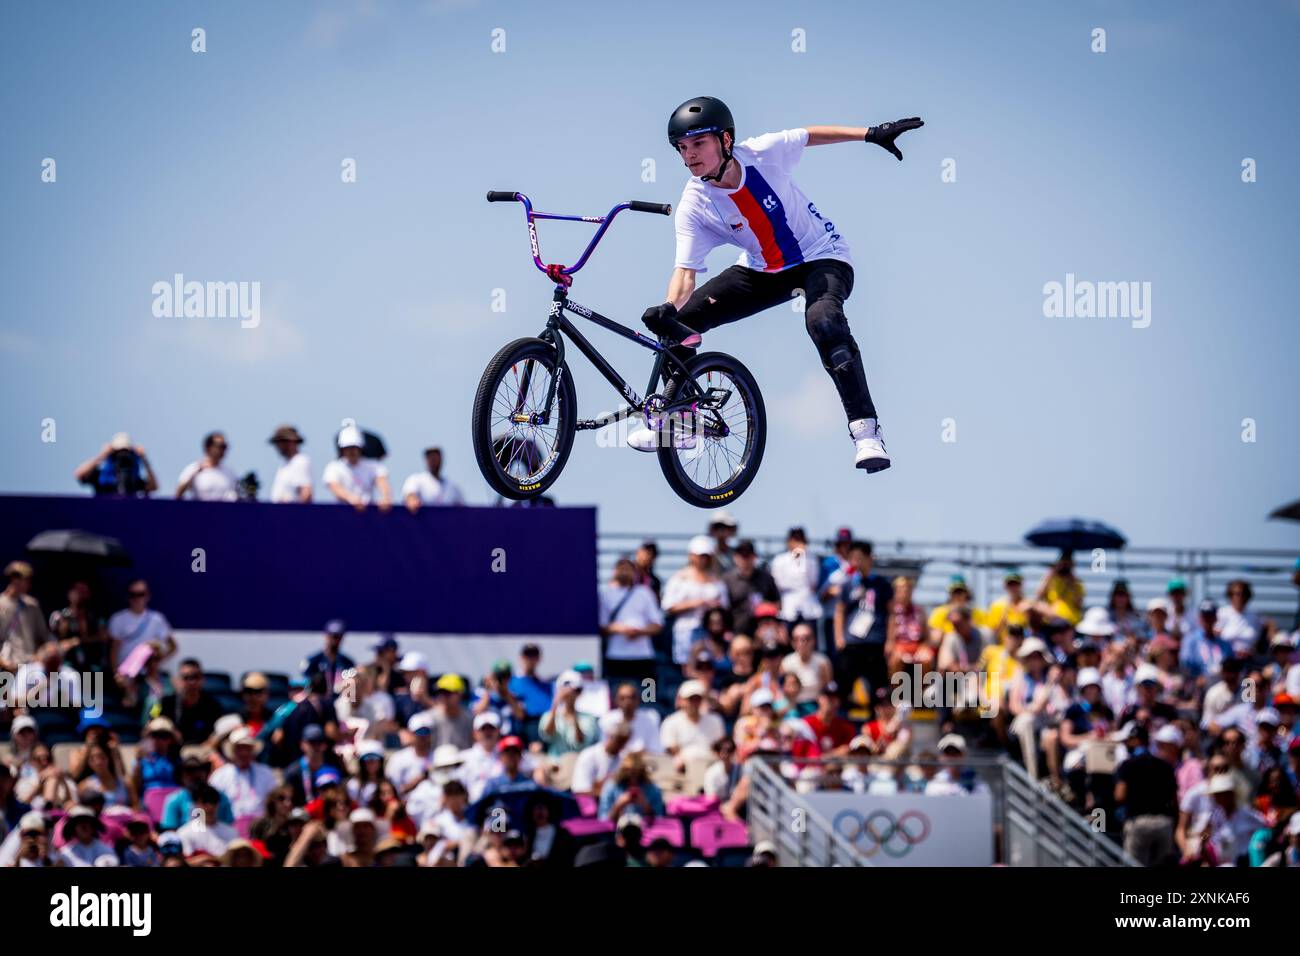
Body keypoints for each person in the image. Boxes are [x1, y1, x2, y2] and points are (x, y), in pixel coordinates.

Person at [625, 95, 923, 474]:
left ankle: (866, 432)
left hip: (821, 256)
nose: (690, 156)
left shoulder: (763, 153)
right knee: (678, 323)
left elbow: (811, 135)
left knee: (823, 320)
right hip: (762, 271)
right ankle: (682, 419)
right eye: (682, 148)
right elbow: (685, 271)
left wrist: (870, 134)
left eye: (699, 143)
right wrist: (669, 308)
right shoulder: (695, 204)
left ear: (726, 140)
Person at [832, 540, 893, 700]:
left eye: (859, 558)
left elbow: (891, 613)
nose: (856, 562)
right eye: (852, 558)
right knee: (844, 686)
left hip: (875, 642)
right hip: (852, 643)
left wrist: (890, 640)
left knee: (878, 690)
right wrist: (839, 637)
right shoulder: (848, 584)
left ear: (869, 558)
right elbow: (840, 611)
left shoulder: (882, 584)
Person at [660, 535, 729, 665]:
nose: (703, 559)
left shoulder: (717, 581)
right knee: (687, 666)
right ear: (691, 555)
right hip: (685, 631)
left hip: (711, 633)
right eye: (700, 555)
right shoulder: (679, 579)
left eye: (706, 556)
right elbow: (667, 606)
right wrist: (698, 603)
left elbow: (725, 607)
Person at [599, 557, 664, 682]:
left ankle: (649, 702)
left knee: (648, 693)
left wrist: (639, 631)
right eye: (621, 569)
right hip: (616, 655)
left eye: (628, 569)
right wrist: (621, 629)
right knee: (618, 693)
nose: (624, 572)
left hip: (644, 655)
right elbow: (602, 626)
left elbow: (657, 625)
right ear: (614, 572)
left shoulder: (644, 592)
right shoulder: (606, 594)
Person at [107, 579, 177, 683]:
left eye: (141, 594)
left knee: (154, 698)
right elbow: (113, 650)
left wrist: (157, 662)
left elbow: (173, 646)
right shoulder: (118, 619)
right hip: (126, 675)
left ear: (147, 596)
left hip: (148, 675)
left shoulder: (157, 619)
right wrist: (116, 673)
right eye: (133, 594)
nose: (137, 598)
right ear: (128, 596)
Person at [153, 658, 229, 745]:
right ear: (178, 680)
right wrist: (170, 729)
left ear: (202, 680)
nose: (191, 682)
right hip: (171, 750)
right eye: (186, 678)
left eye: (195, 677)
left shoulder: (214, 705)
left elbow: (222, 725)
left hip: (202, 751)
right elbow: (151, 717)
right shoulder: (162, 702)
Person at [210, 727, 277, 819]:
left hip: (259, 827)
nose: (244, 753)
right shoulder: (220, 776)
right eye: (240, 748)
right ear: (233, 750)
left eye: (247, 748)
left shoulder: (265, 773)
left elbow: (273, 801)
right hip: (229, 827)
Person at [323, 422, 392, 511]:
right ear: (342, 450)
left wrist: (386, 497)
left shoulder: (373, 466)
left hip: (367, 513)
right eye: (348, 448)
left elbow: (382, 481)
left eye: (354, 447)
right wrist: (351, 499)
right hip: (342, 513)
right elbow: (334, 486)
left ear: (360, 448)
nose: (351, 451)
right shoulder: (333, 467)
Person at [0, 561, 51, 670]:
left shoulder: (32, 605)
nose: (29, 584)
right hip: (7, 666)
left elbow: (43, 635)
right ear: (14, 579)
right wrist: (3, 663)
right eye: (26, 580)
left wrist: (40, 656)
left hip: (30, 665)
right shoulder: (1, 604)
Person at [74, 432, 158, 497]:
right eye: (118, 453)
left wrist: (144, 460)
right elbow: (80, 474)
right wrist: (102, 456)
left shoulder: (133, 478)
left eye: (126, 452)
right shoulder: (101, 476)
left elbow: (154, 487)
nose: (122, 456)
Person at [770, 527, 822, 625]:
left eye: (801, 540)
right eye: (796, 540)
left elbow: (813, 582)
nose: (798, 543)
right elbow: (778, 584)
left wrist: (803, 558)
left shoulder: (811, 559)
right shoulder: (780, 560)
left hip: (808, 607)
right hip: (788, 606)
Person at [175, 431, 239, 501]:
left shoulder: (230, 472)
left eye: (225, 447)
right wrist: (193, 476)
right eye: (220, 446)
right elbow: (178, 494)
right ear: (208, 448)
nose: (223, 450)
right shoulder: (193, 468)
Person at [301, 619, 355, 696]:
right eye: (332, 636)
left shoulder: (347, 662)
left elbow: (351, 689)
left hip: (340, 702)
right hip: (318, 701)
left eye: (338, 637)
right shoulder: (313, 661)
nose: (334, 640)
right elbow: (306, 683)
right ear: (326, 636)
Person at [402, 446, 465, 512]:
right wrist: (411, 499)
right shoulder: (416, 480)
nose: (433, 459)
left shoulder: (452, 487)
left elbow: (463, 509)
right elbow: (410, 495)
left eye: (436, 456)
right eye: (430, 457)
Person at [267, 425, 313, 503]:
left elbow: (306, 493)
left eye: (280, 442)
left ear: (290, 442)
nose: (277, 446)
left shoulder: (300, 461)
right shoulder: (286, 465)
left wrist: (294, 512)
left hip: (290, 513)